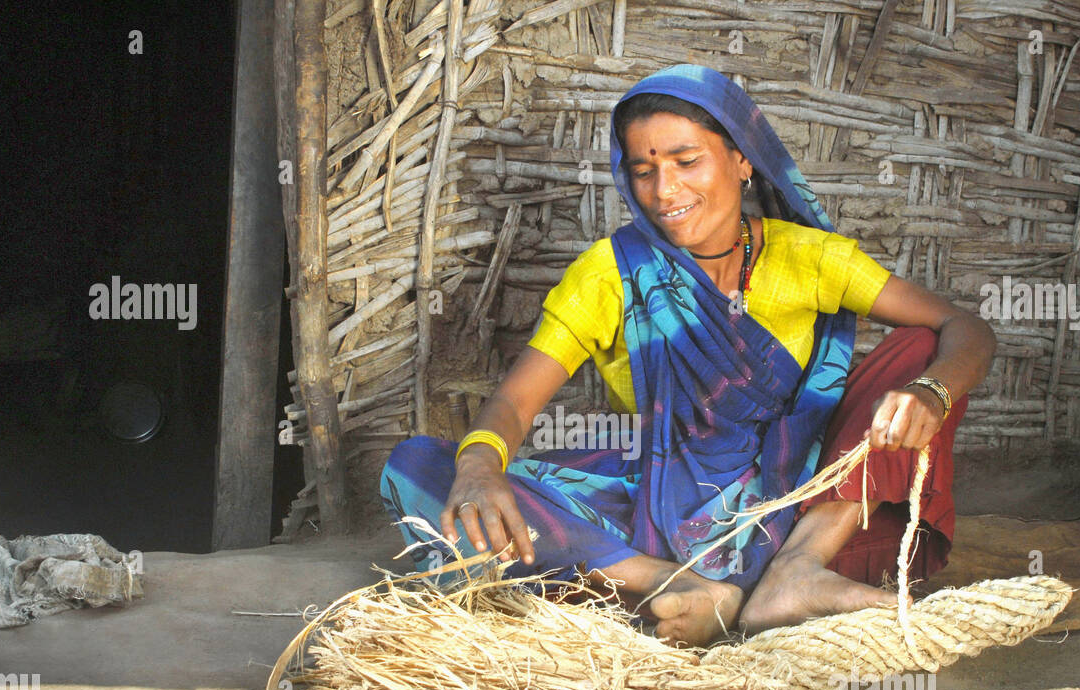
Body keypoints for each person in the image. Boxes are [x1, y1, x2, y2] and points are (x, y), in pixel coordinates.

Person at [381, 64, 996, 648]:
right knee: (422, 469)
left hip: (803, 506)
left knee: (920, 349)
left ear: (742, 160)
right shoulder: (612, 273)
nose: (664, 190)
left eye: (686, 161)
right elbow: (515, 403)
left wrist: (931, 393)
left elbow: (962, 327)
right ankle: (679, 586)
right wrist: (481, 468)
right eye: (643, 170)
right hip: (655, 508)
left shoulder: (809, 258)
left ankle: (794, 575)